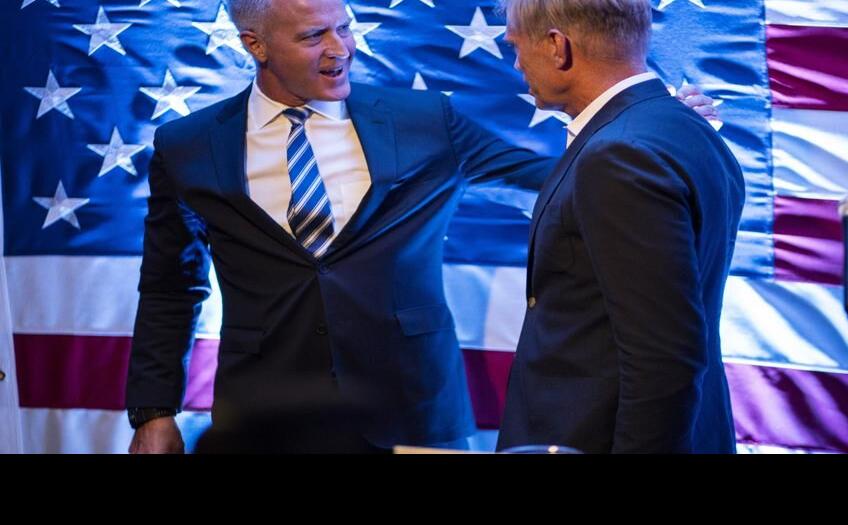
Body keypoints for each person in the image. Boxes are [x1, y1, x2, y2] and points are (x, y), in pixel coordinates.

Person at [125, 0, 719, 453]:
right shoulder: (189, 145)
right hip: (262, 417)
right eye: (313, 36)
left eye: (345, 27)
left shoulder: (425, 119)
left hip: (412, 412)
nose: (341, 48)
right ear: (254, 43)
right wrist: (154, 411)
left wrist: (645, 124)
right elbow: (170, 287)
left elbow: (559, 173)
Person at [496, 0, 746, 453]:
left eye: (517, 46)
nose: (516, 63)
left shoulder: (617, 155)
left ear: (557, 47)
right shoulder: (687, 126)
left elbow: (664, 359)